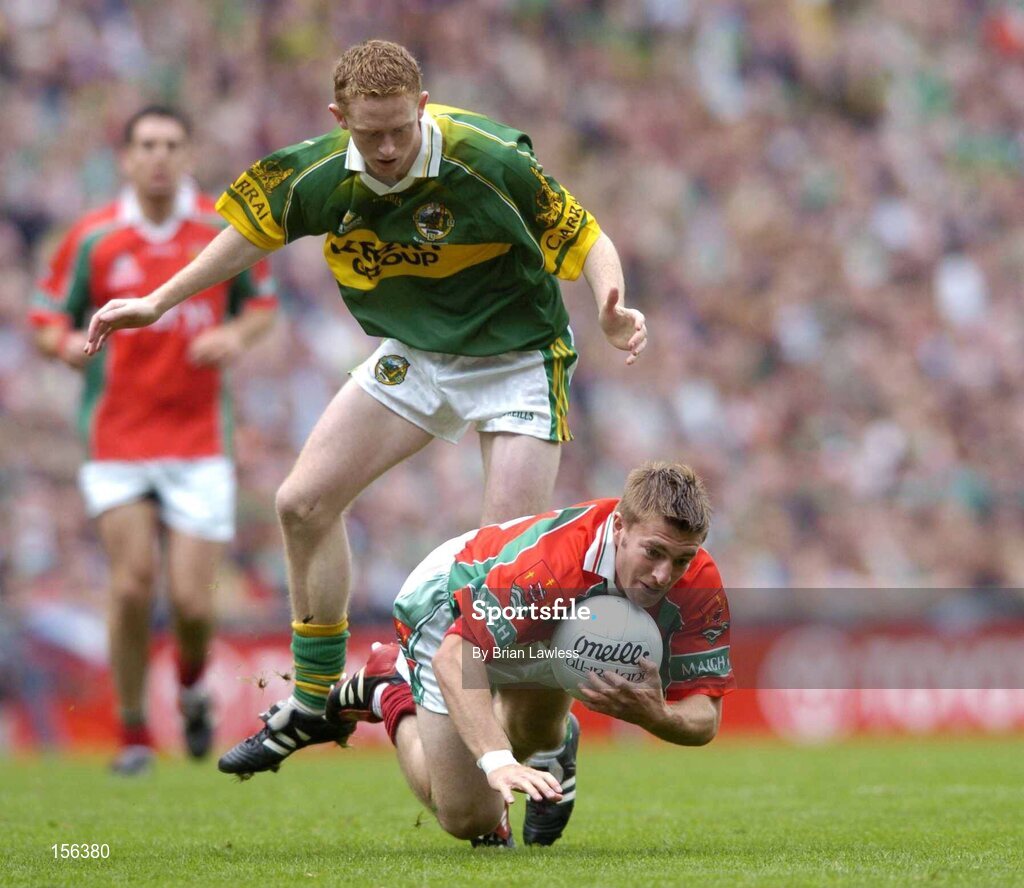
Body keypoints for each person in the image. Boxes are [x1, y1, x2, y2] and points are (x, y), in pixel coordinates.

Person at [83, 40, 648, 777]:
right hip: (416, 353)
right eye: (368, 132)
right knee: (302, 503)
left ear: (422, 107)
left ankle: (546, 743)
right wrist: (158, 301)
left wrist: (609, 305)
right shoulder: (317, 172)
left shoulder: (486, 158)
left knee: (504, 577)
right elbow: (246, 238)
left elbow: (587, 236)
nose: (385, 148)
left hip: (518, 358)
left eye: (399, 129)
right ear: (339, 116)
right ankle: (316, 700)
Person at [30, 105, 278, 775]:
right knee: (132, 586)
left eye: (171, 144)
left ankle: (193, 688)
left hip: (199, 440)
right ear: (127, 158)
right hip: (118, 438)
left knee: (194, 602)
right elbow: (47, 316)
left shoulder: (218, 232)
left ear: (188, 154)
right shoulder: (94, 238)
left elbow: (260, 305)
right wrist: (62, 346)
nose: (159, 156)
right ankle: (134, 733)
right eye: (147, 144)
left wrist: (234, 335)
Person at [327, 461, 734, 847]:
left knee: (535, 730)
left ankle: (552, 740)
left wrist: (656, 715)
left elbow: (705, 720)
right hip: (446, 606)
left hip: (551, 619)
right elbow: (455, 656)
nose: (664, 575)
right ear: (619, 528)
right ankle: (389, 688)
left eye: (682, 559)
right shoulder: (555, 565)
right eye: (654, 552)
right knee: (471, 816)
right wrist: (498, 760)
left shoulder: (698, 581)